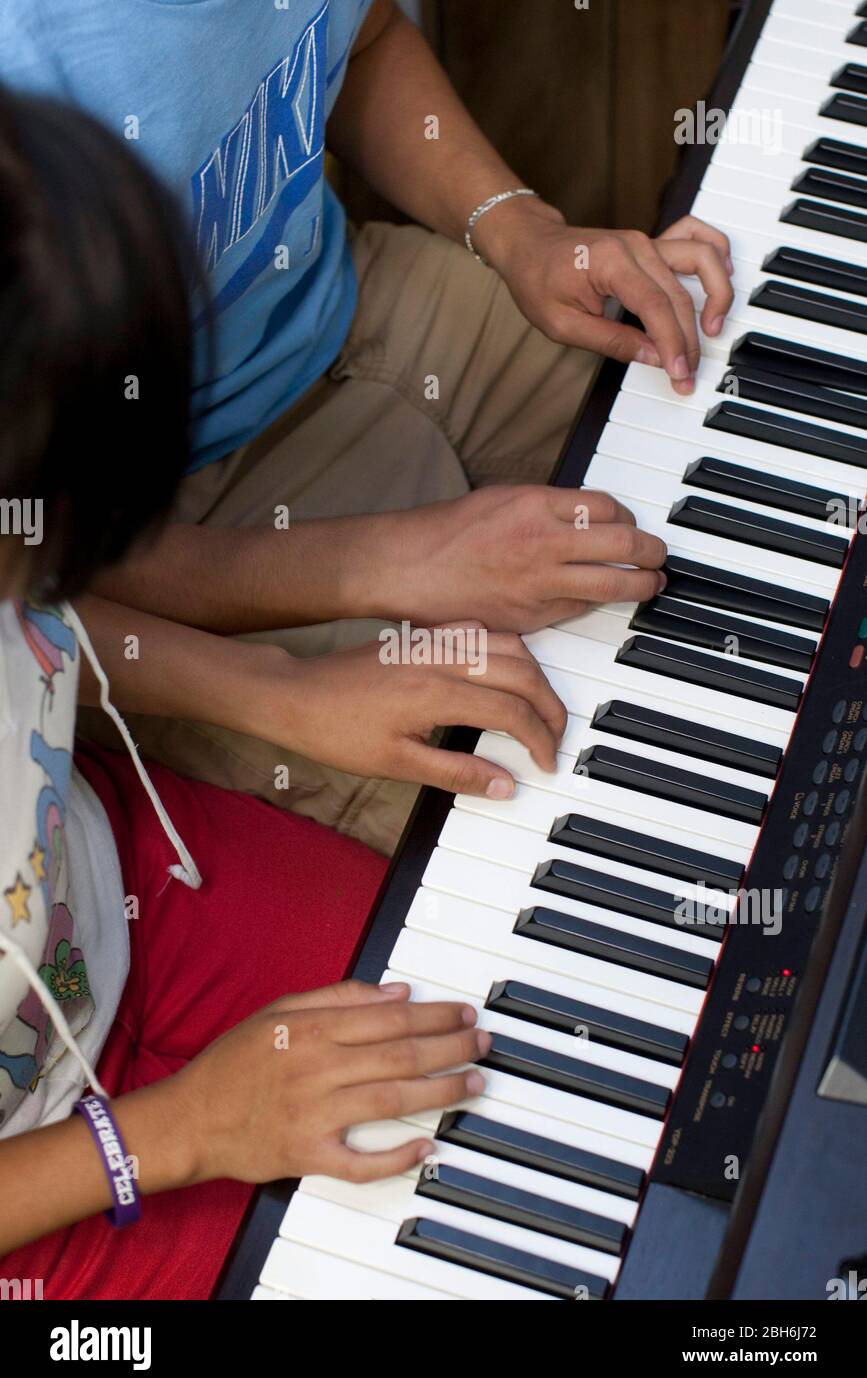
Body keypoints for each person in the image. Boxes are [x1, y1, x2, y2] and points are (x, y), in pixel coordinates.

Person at [1, 0, 734, 855]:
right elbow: (30, 580)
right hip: (139, 541)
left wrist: (517, 229)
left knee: (731, 435)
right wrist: (313, 654)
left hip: (348, 306)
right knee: (566, 817)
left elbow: (365, 32)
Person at [0, 89, 494, 1300]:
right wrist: (180, 1132)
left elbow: (47, 622)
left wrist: (281, 691)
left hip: (109, 898)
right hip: (33, 1206)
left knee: (494, 1012)